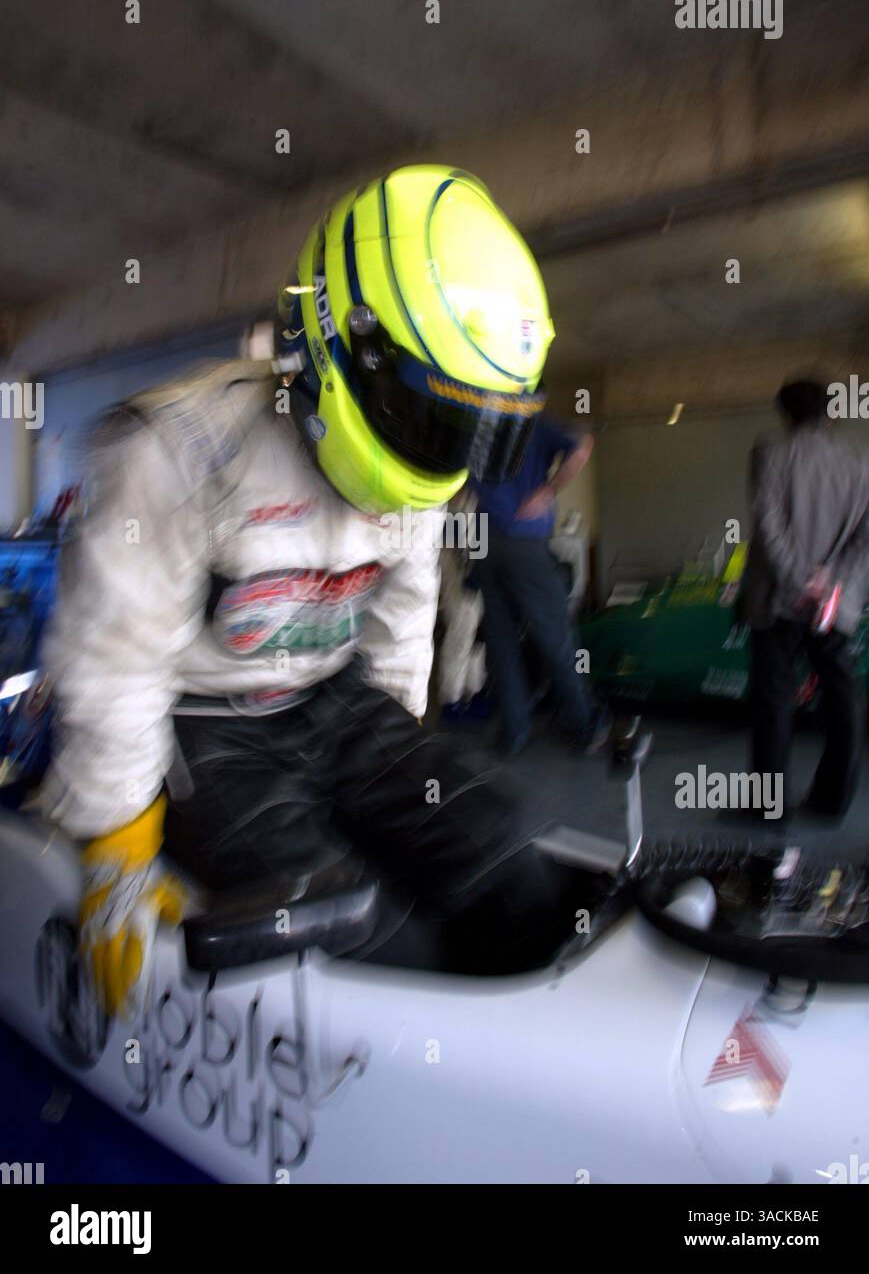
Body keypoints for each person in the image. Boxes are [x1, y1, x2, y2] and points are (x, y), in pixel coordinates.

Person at [38, 165, 577, 1014]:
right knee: (356, 931)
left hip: (339, 703)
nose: (448, 454)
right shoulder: (178, 448)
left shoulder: (420, 481)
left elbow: (404, 619)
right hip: (203, 727)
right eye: (438, 417)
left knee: (509, 858)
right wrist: (118, 840)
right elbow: (117, 662)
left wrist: (400, 769)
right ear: (338, 344)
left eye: (472, 431)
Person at [741, 378, 869, 822]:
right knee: (842, 698)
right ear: (830, 413)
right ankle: (832, 801)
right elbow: (864, 539)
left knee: (774, 700)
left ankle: (768, 807)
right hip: (835, 604)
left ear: (784, 412)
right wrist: (830, 583)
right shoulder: (858, 463)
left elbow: (768, 528)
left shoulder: (769, 452)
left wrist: (800, 582)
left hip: (777, 600)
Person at [472, 415, 607, 758]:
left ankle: (514, 733)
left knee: (501, 643)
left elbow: (457, 483)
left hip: (482, 541)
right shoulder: (531, 423)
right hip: (523, 541)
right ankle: (584, 725)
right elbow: (583, 446)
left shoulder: (477, 423)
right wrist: (548, 491)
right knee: (555, 637)